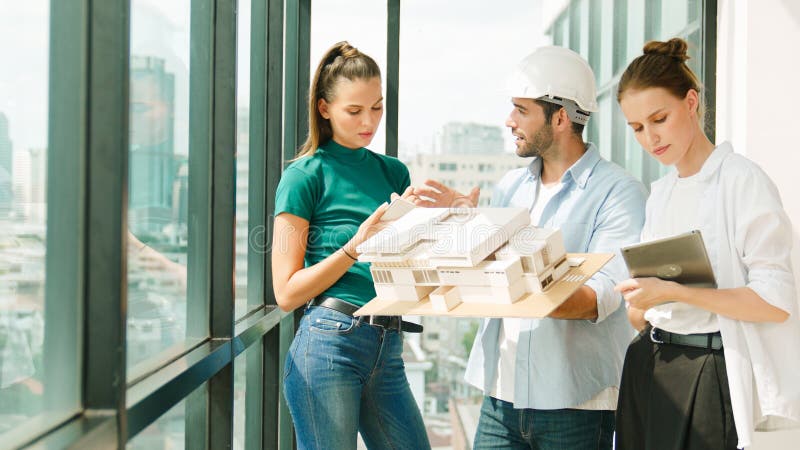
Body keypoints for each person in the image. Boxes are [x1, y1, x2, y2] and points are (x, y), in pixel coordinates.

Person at [414, 46, 647, 449]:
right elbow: (489, 278)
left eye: (521, 110)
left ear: (560, 117)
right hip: (501, 398)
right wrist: (467, 230)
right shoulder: (510, 188)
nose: (510, 121)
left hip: (575, 406)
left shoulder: (619, 194)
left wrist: (509, 271)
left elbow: (598, 298)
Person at [614, 38, 800, 449]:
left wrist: (676, 292)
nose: (650, 138)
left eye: (658, 118)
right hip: (649, 364)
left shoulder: (741, 180)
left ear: (691, 101)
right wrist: (641, 304)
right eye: (637, 128)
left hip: (708, 371)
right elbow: (644, 318)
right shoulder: (660, 192)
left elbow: (777, 302)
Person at [270, 42, 430, 450]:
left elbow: (404, 269)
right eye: (354, 111)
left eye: (376, 108)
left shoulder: (392, 172)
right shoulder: (304, 176)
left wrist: (442, 220)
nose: (369, 121)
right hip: (329, 344)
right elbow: (286, 292)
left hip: (388, 344)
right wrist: (353, 248)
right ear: (324, 108)